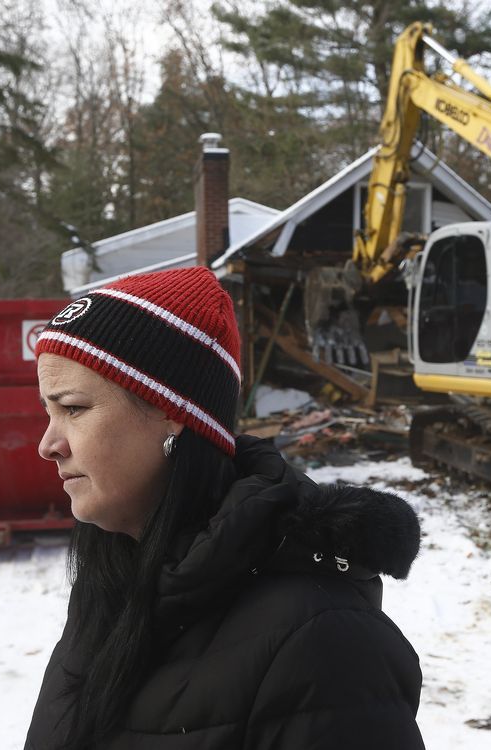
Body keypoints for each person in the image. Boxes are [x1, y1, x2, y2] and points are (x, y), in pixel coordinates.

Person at [25, 267, 425, 749]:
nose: (48, 445)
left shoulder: (325, 645)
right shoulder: (111, 584)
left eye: (73, 409)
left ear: (172, 410)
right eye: (48, 412)